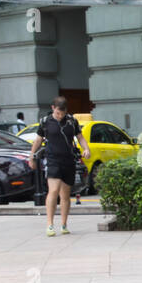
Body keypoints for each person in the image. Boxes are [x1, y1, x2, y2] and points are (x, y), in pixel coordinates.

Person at [29, 97, 89, 236]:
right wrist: (31, 156)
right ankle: (50, 224)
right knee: (54, 190)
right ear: (53, 108)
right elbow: (38, 140)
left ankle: (64, 224)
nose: (60, 116)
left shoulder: (71, 121)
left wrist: (86, 148)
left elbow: (80, 137)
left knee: (65, 195)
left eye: (62, 113)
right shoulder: (45, 122)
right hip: (52, 160)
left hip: (68, 160)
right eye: (57, 113)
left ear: (66, 111)